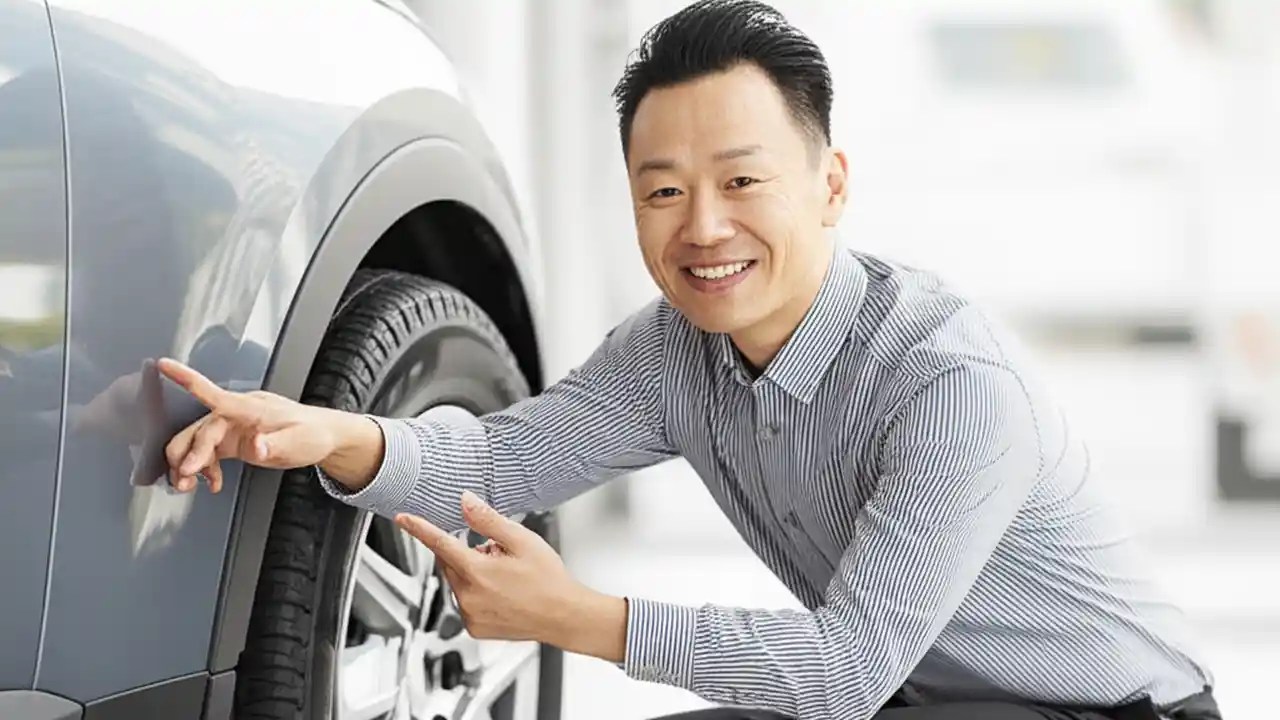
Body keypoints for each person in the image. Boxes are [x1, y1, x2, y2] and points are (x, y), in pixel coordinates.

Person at [156, 1, 1223, 718]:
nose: (701, 226)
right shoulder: (673, 356)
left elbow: (841, 673)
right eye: (662, 191)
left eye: (741, 182)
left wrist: (575, 617)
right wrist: (328, 433)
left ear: (830, 185)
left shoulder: (946, 385)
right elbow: (499, 460)